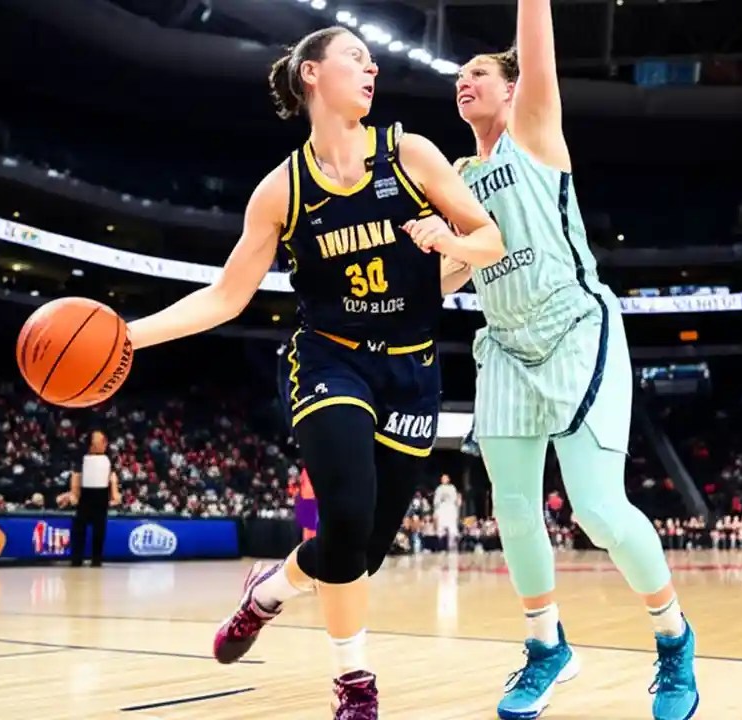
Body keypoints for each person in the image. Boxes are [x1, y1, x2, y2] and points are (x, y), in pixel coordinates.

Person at [124, 26, 503, 719]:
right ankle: (354, 684)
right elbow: (224, 296)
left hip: (412, 371)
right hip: (328, 360)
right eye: (355, 56)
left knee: (359, 551)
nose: (372, 66)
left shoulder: (411, 154)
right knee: (347, 514)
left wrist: (450, 238)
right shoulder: (281, 190)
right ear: (311, 74)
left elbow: (490, 236)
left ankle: (268, 592)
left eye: (371, 59)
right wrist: (127, 337)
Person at [448, 1, 698, 717]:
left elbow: (537, 43)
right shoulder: (459, 175)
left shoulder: (533, 130)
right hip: (502, 343)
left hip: (574, 330)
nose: (463, 82)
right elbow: (455, 273)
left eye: (478, 73)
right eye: (457, 76)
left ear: (510, 86)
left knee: (597, 509)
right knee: (516, 509)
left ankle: (674, 640)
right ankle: (545, 646)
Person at [70, 430, 120, 567]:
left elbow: (112, 476)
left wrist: (115, 493)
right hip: (86, 495)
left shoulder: (109, 458)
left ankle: (96, 559)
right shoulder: (82, 457)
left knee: (99, 529)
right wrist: (74, 492)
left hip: (101, 495)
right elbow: (76, 475)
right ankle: (76, 558)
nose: (103, 443)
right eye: (99, 440)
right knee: (80, 528)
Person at [433, 473, 461, 552]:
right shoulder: (439, 489)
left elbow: (456, 501)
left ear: (448, 479)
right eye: (443, 478)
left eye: (445, 478)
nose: (444, 480)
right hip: (442, 511)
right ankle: (442, 548)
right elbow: (436, 502)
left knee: (452, 530)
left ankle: (452, 547)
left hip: (450, 511)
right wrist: (436, 513)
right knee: (441, 530)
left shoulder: (452, 488)